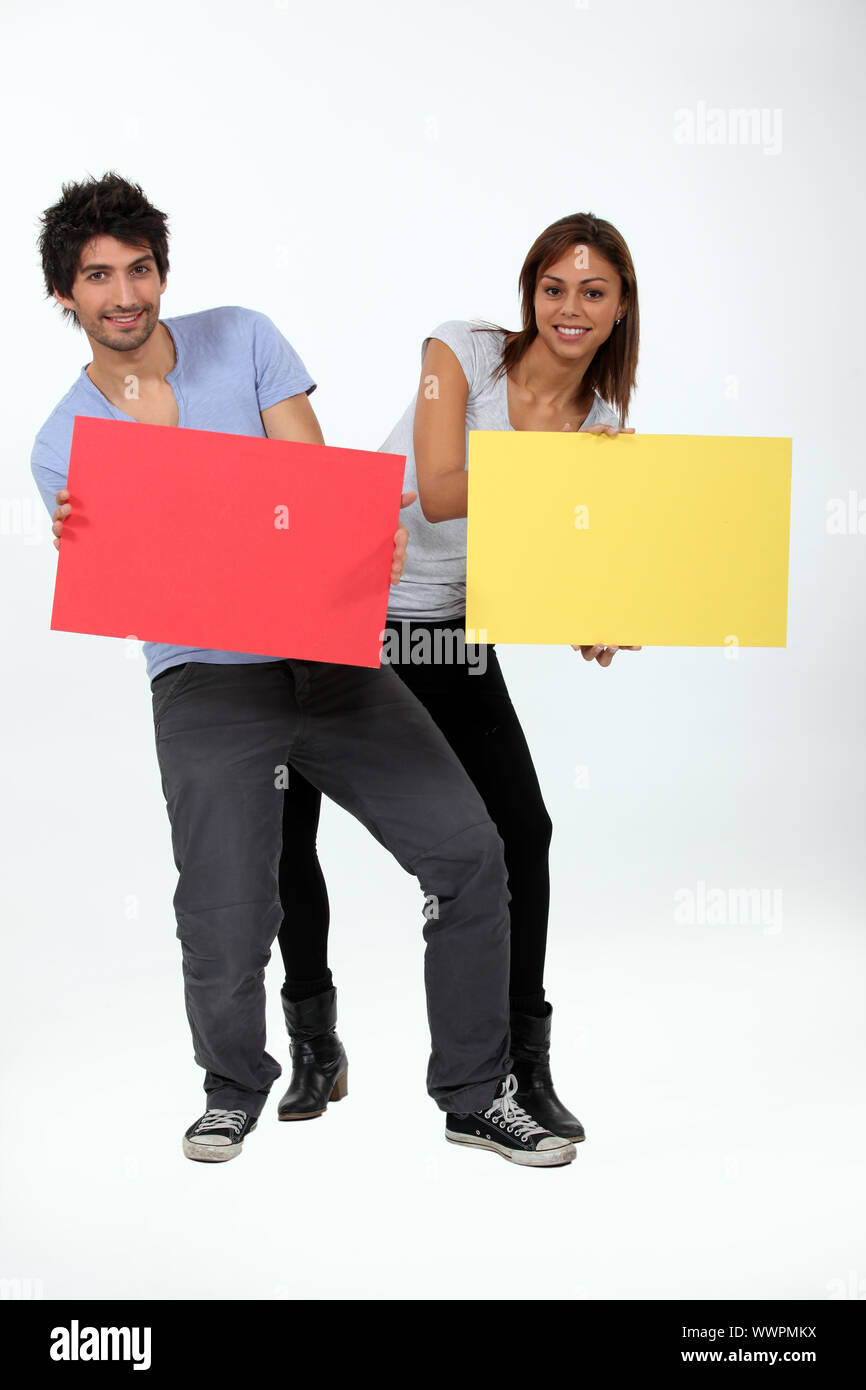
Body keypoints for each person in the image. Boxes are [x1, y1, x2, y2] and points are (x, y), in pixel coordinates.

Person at [30, 172, 578, 1168]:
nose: (124, 292)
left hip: (327, 657)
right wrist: (102, 519)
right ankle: (233, 1086)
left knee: (471, 852)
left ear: (161, 271)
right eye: (97, 275)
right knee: (226, 912)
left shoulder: (241, 337)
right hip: (206, 681)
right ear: (64, 295)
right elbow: (149, 589)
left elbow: (307, 486)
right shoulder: (63, 442)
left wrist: (351, 542)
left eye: (138, 268)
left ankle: (473, 1092)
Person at [274, 213, 641, 1144]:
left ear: (618, 310)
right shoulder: (463, 350)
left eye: (591, 293)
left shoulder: (601, 426)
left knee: (523, 831)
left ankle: (524, 1063)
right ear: (530, 293)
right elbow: (439, 488)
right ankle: (313, 1037)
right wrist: (565, 478)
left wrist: (590, 619)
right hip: (339, 605)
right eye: (553, 287)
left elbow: (539, 565)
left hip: (443, 634)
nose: (568, 307)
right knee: (283, 829)